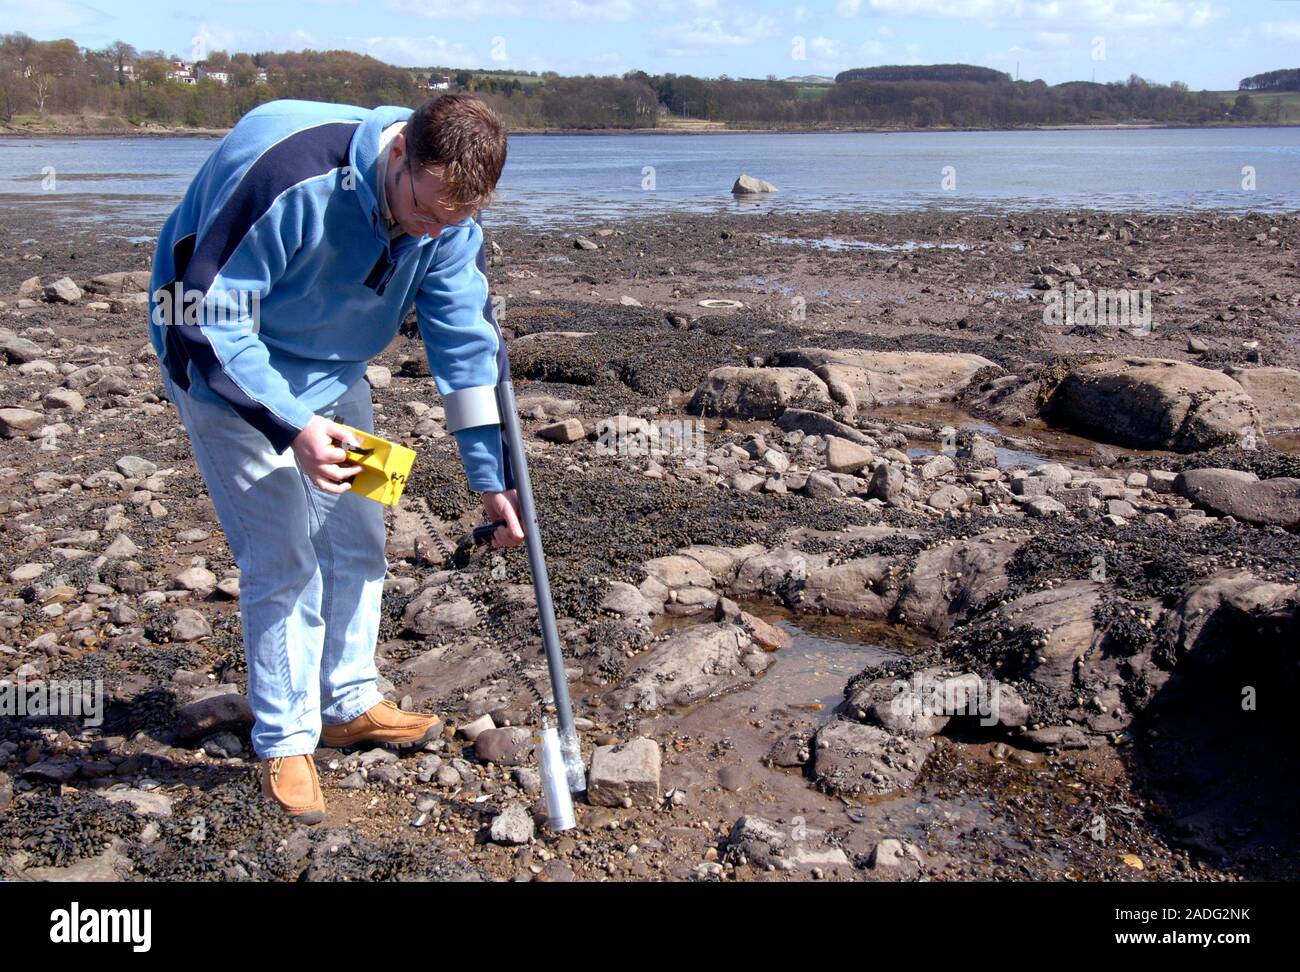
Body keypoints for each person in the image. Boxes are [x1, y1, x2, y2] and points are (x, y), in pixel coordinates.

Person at [147, 94, 525, 824]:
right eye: (428, 208)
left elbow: (466, 346)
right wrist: (292, 426)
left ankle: (348, 699)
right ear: (397, 155)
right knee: (282, 549)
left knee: (359, 531)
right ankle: (286, 739)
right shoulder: (288, 174)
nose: (435, 229)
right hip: (220, 362)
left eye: (457, 218)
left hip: (335, 366)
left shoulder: (448, 222)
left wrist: (491, 476)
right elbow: (206, 318)